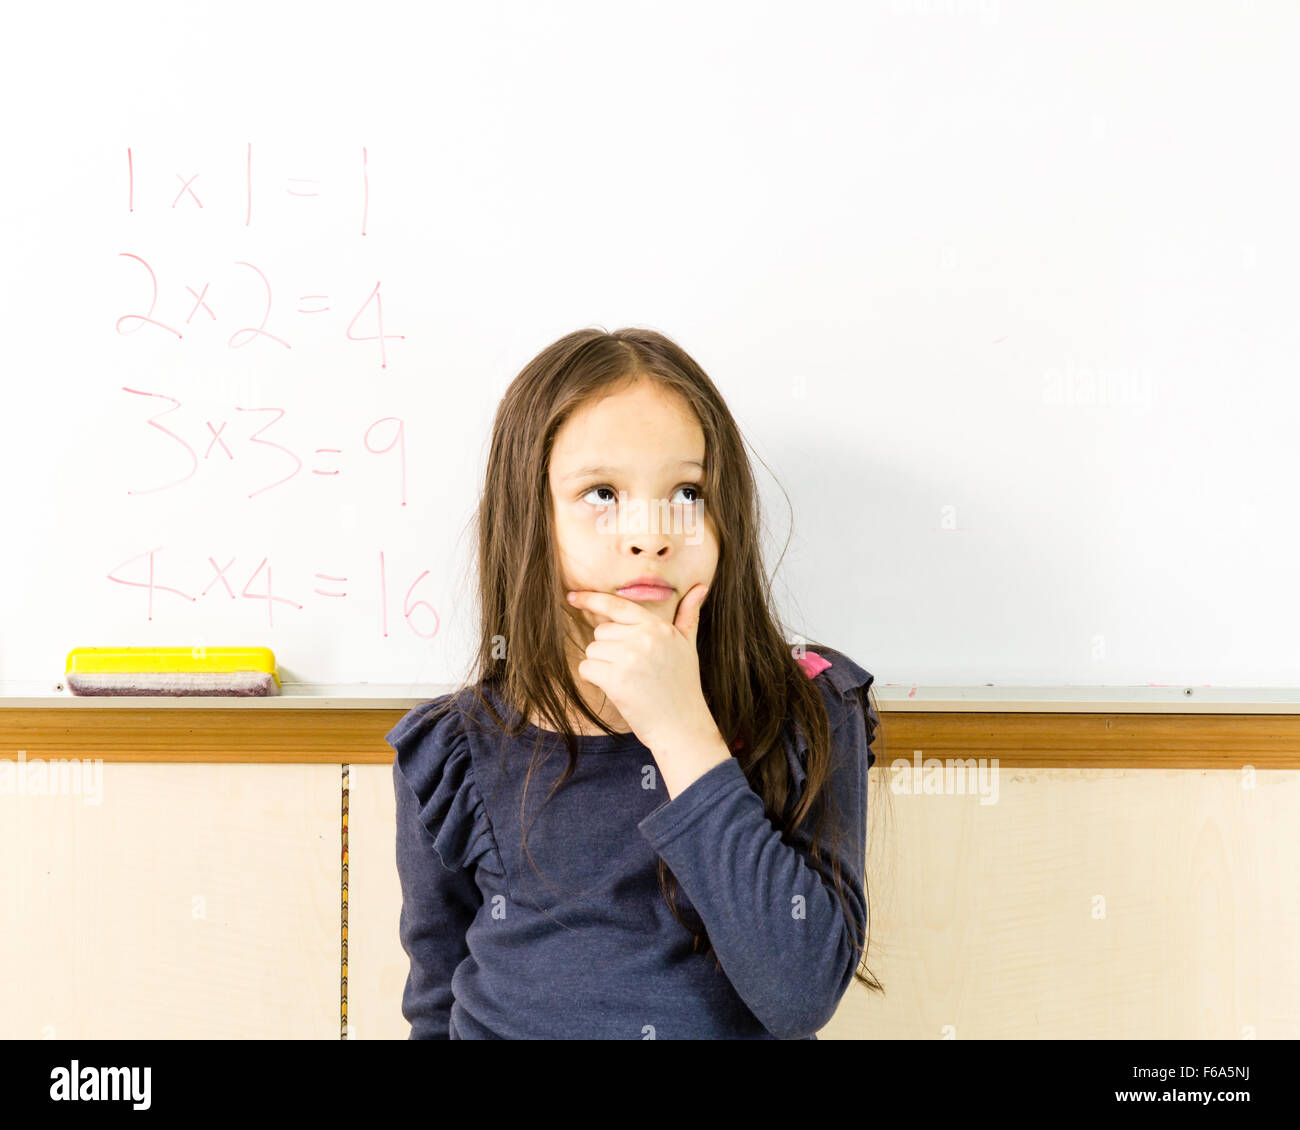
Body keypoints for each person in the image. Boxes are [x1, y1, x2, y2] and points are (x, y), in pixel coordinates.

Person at [389, 327, 884, 1039]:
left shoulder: (807, 707)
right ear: (531, 521)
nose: (650, 533)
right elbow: (435, 999)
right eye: (601, 493)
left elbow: (799, 993)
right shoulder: (456, 752)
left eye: (687, 492)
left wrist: (683, 732)